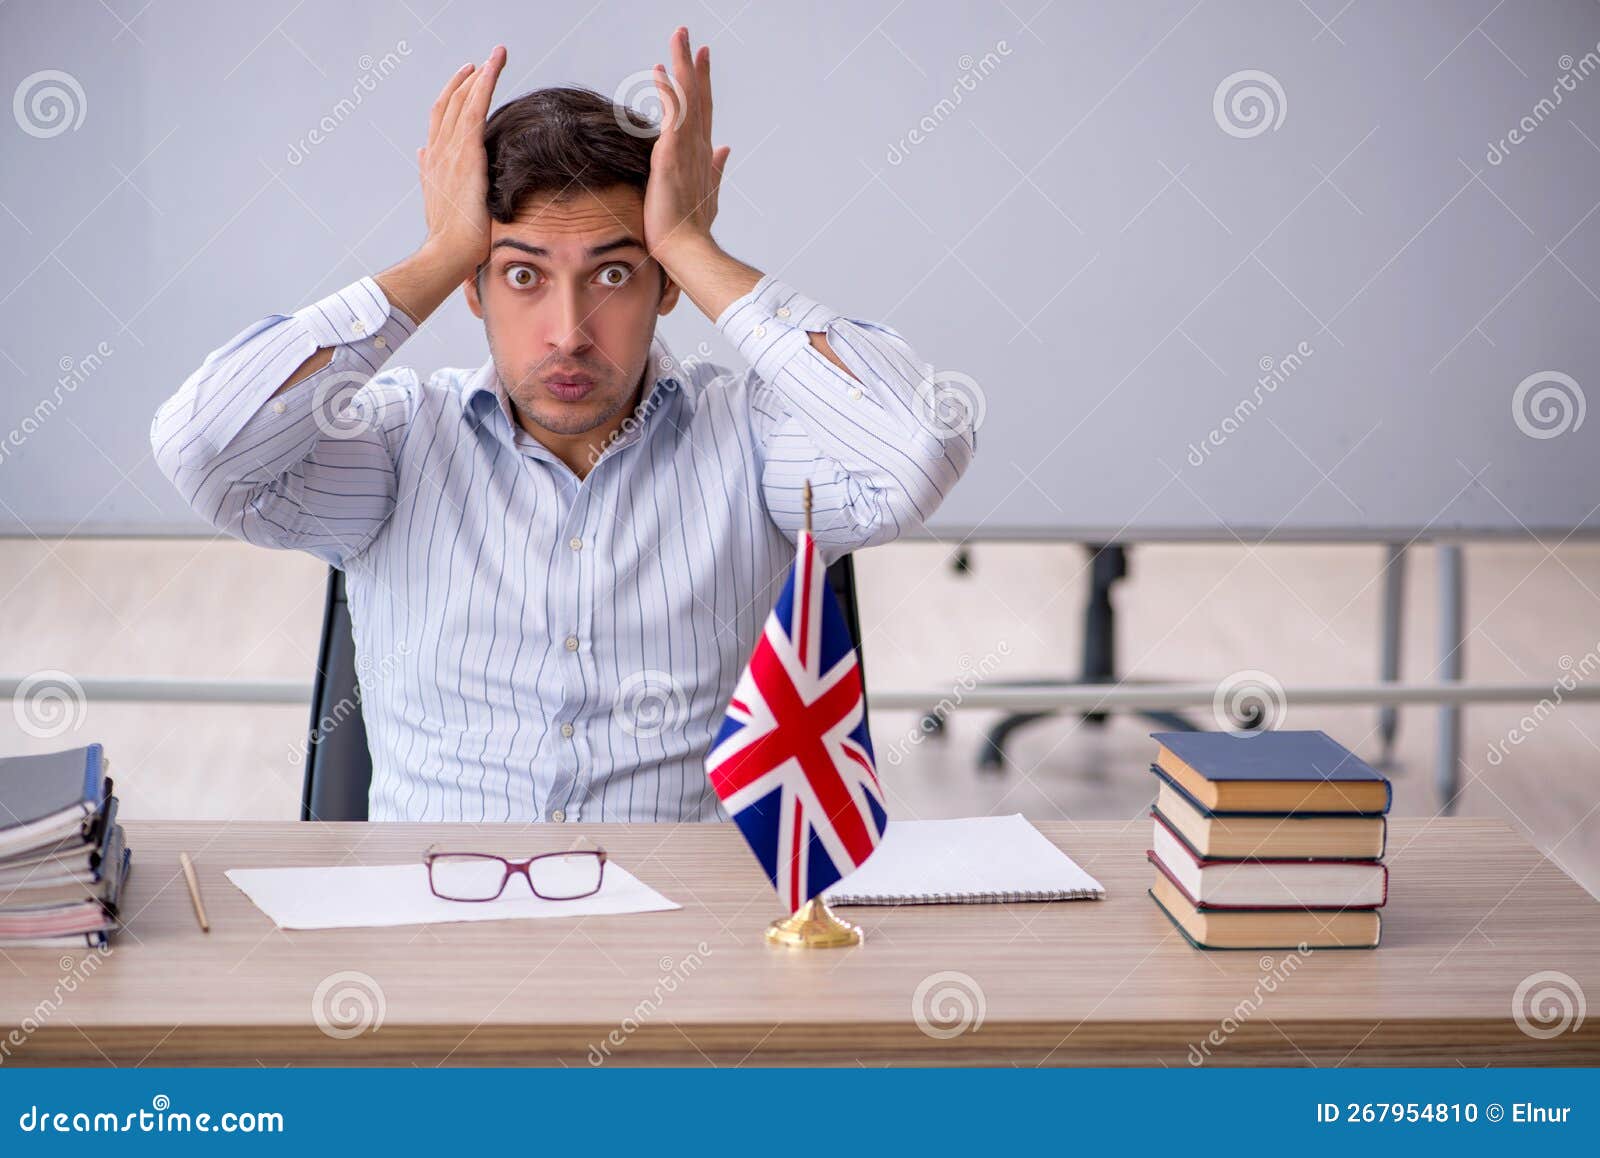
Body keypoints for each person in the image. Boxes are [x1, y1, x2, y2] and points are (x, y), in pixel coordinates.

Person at [151, 29, 974, 822]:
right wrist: (440, 252)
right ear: (472, 289)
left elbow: (919, 445)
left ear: (667, 286)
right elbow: (203, 449)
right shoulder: (398, 441)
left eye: (615, 273)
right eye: (522, 275)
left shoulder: (752, 437)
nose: (569, 330)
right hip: (439, 934)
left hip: (694, 937)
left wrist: (691, 242)